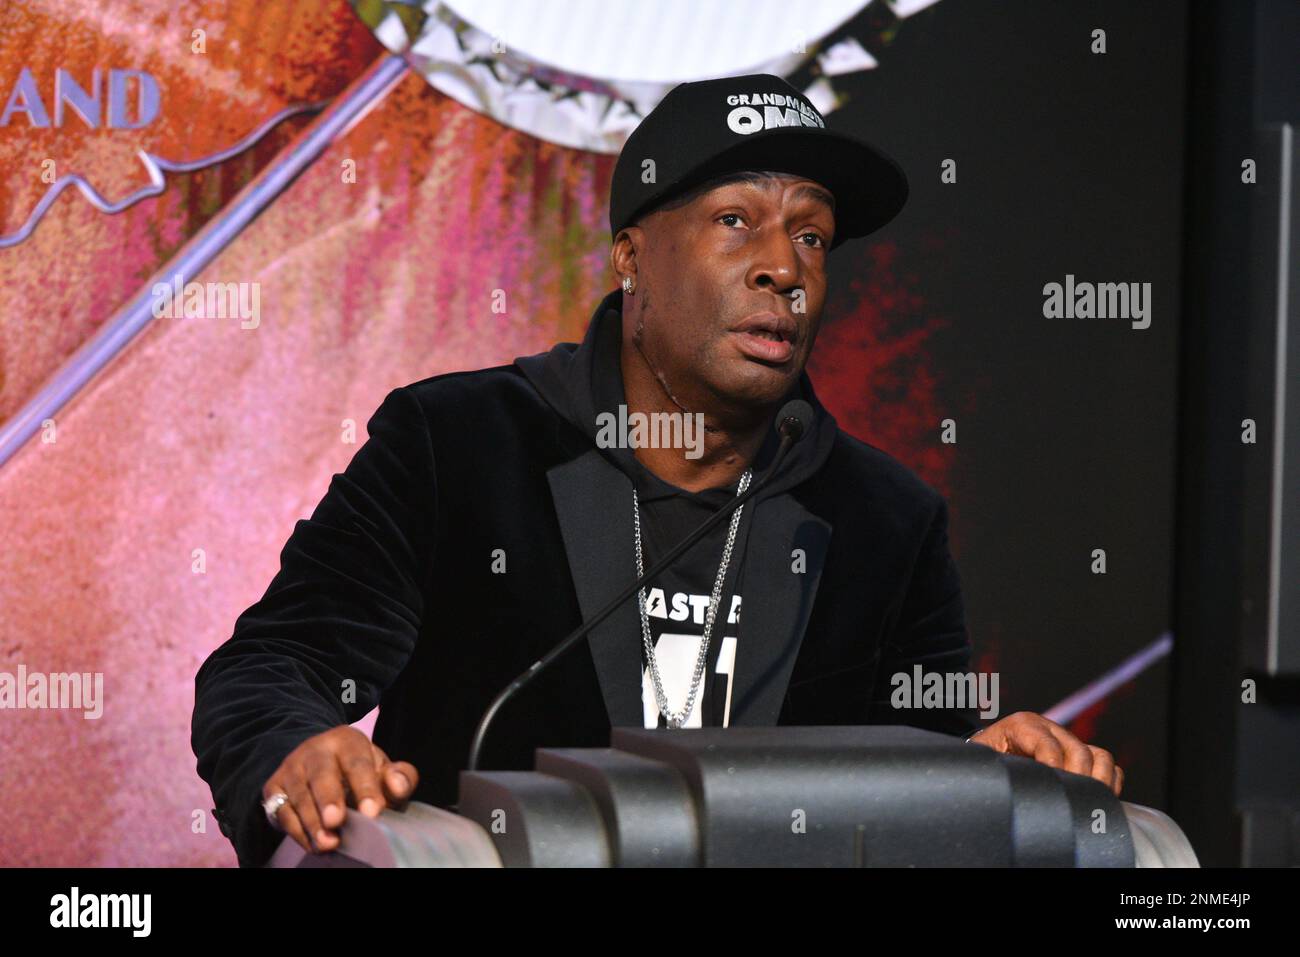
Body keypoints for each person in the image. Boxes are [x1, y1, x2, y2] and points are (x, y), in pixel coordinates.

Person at [192, 73, 1121, 868]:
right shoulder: (462, 442)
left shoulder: (886, 515)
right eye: (735, 221)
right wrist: (298, 750)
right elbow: (271, 666)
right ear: (632, 255)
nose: (782, 269)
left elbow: (927, 752)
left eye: (812, 237)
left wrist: (991, 759)